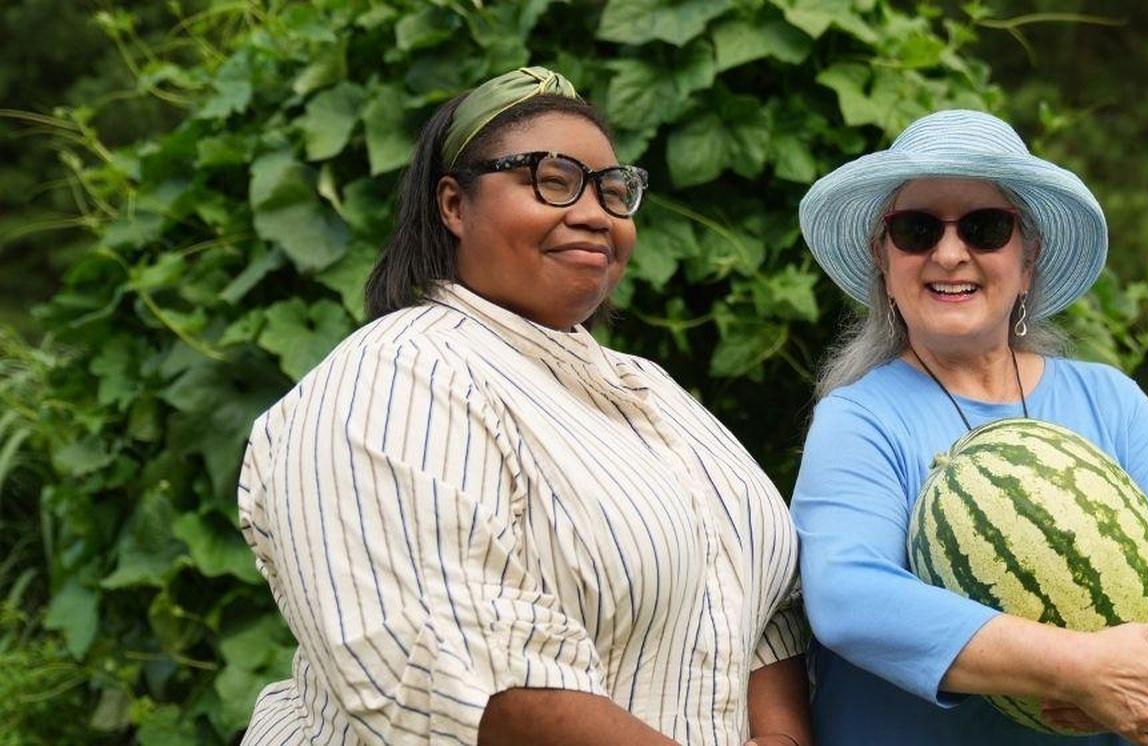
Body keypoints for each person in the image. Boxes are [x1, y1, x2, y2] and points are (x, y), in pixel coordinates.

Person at [235, 67, 810, 746]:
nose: (596, 213)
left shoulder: (649, 390)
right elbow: (459, 675)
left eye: (613, 190)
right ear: (453, 204)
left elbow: (765, 608)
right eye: (553, 180)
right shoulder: (397, 378)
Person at [788, 109, 1148, 746]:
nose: (950, 253)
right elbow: (849, 595)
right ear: (884, 258)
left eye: (985, 228)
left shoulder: (1108, 398)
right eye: (916, 228)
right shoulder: (860, 417)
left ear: (1028, 257)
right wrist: (1078, 668)